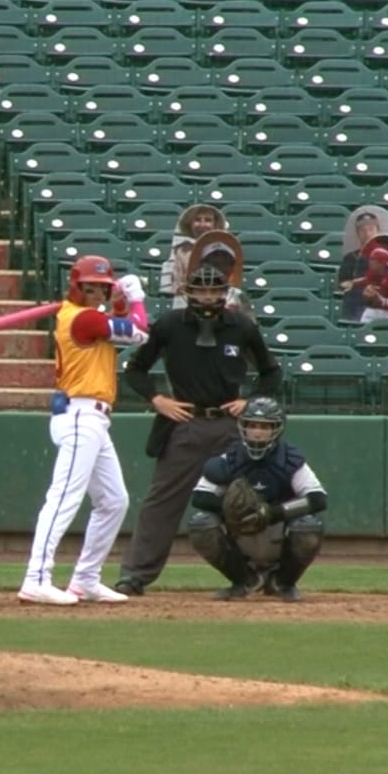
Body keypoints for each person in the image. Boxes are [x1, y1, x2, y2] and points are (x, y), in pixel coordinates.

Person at [115, 232, 283, 598]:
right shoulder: (171, 325)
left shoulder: (241, 326)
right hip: (185, 424)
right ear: (189, 292)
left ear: (224, 294)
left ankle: (259, 573)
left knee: (246, 502)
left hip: (229, 424)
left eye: (213, 292)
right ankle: (135, 574)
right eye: (201, 292)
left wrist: (250, 402)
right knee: (162, 502)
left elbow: (272, 372)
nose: (207, 299)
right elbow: (135, 368)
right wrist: (157, 399)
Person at [18, 255, 149, 605]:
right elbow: (139, 331)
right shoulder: (83, 318)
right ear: (77, 286)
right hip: (80, 415)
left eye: (102, 288)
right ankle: (36, 578)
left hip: (93, 418)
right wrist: (135, 301)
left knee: (113, 501)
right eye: (90, 287)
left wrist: (120, 301)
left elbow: (117, 323)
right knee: (63, 497)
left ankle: (86, 578)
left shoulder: (88, 316)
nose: (97, 293)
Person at [188, 397, 327, 602]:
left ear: (276, 429)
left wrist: (272, 513)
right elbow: (200, 497)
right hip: (241, 533)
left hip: (278, 533)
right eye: (252, 425)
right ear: (242, 427)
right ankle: (244, 580)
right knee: (201, 522)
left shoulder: (290, 459)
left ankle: (283, 582)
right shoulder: (230, 459)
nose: (257, 431)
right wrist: (236, 511)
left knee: (309, 525)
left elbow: (318, 499)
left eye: (265, 426)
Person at [158, 203, 225, 310]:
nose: (202, 224)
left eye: (208, 220)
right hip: (187, 303)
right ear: (190, 223)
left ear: (215, 224)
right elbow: (178, 285)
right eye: (198, 220)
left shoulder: (225, 248)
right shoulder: (182, 250)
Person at [345, 248, 388, 322]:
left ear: (381, 263)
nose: (370, 262)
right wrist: (352, 283)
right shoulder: (373, 272)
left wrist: (386, 301)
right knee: (363, 326)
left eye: (373, 260)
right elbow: (366, 280)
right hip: (376, 308)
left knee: (387, 331)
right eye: (371, 259)